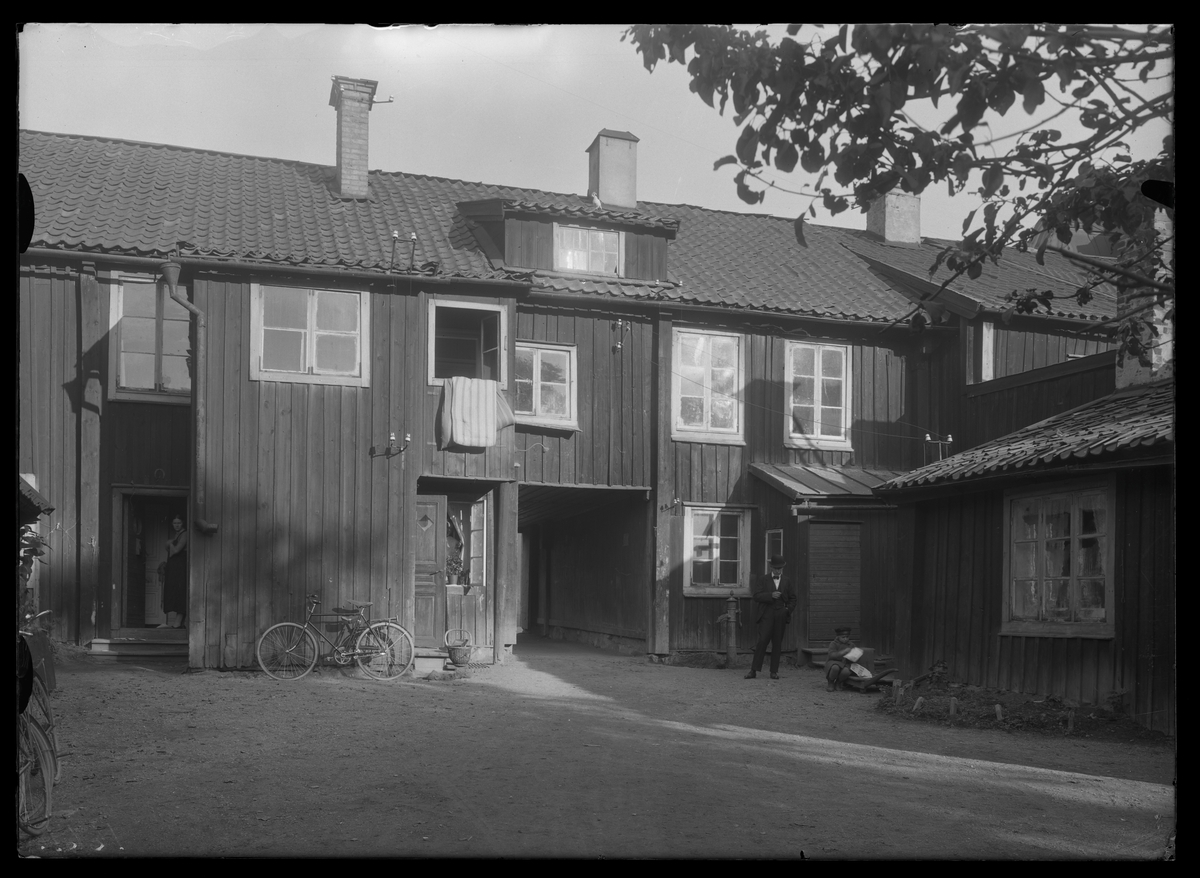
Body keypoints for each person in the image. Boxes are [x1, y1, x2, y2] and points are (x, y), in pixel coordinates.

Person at [744, 554, 797, 679]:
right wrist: (770, 595)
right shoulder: (763, 579)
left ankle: (774, 671)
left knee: (777, 643)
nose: (778, 571)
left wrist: (787, 610)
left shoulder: (787, 581)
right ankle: (753, 670)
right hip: (766, 614)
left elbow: (793, 599)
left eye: (780, 568)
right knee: (762, 641)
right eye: (776, 568)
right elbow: (756, 596)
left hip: (781, 614)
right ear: (771, 567)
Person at [159, 514, 188, 629]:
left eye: (179, 523)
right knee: (175, 591)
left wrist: (169, 543)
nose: (177, 525)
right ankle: (178, 623)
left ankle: (178, 623)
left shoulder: (185, 534)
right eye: (175, 523)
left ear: (183, 523)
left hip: (180, 566)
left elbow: (175, 550)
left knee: (180, 592)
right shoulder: (177, 535)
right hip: (175, 567)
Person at [824, 626, 859, 691]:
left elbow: (855, 657)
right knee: (835, 668)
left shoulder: (851, 645)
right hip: (834, 662)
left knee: (846, 671)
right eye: (843, 637)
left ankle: (838, 682)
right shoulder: (833, 644)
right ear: (838, 637)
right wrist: (843, 652)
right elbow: (832, 655)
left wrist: (854, 656)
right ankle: (831, 682)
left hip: (846, 663)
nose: (845, 639)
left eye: (847, 637)